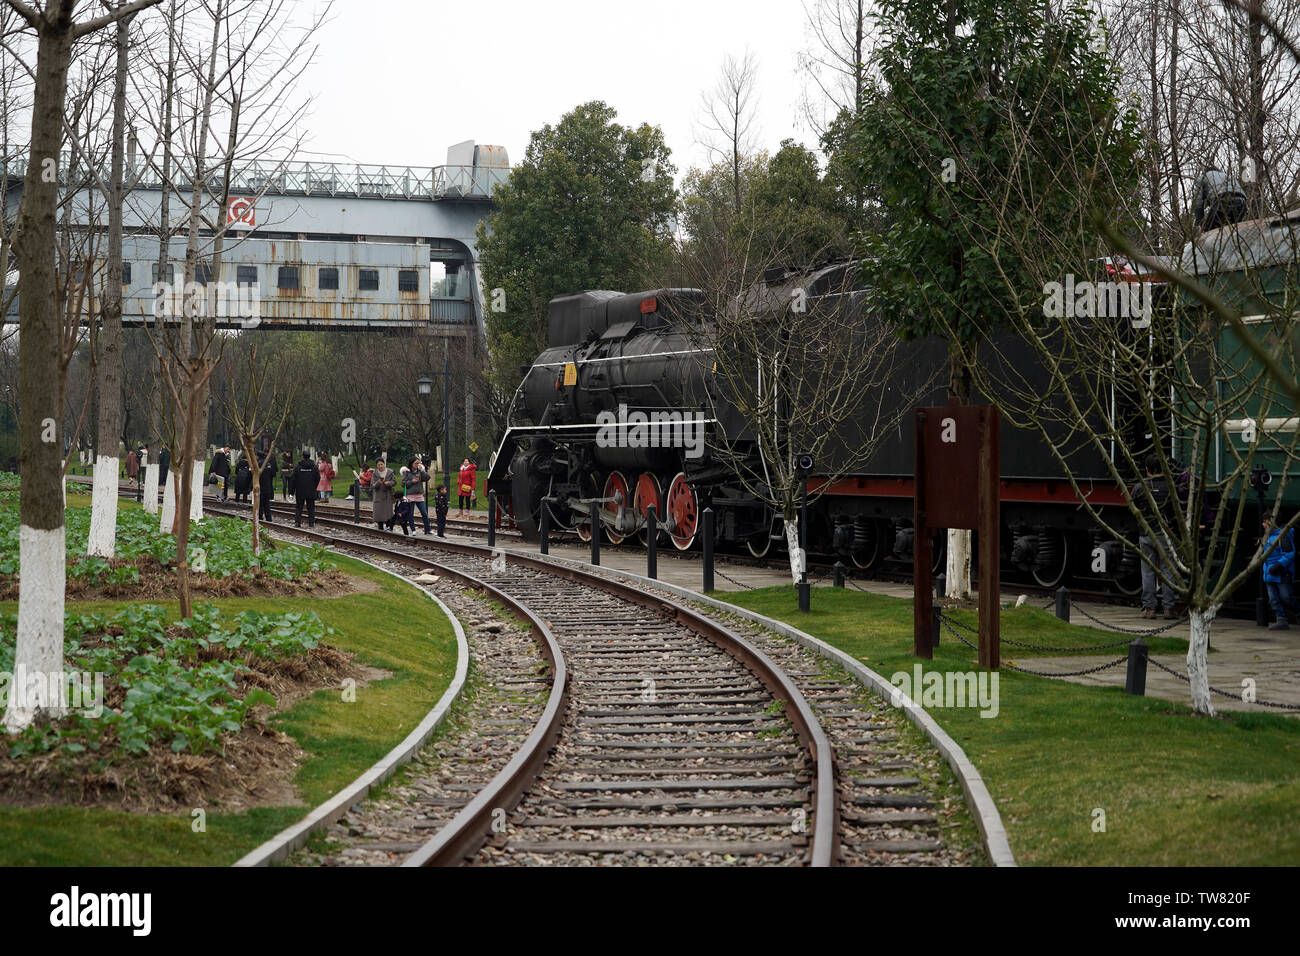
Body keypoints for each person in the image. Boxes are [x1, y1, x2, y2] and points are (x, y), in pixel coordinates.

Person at [1130, 453, 1174, 620]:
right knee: (1168, 571)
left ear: (1147, 469)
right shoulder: (1170, 487)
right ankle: (1169, 608)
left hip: (1146, 533)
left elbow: (1133, 508)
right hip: (1165, 534)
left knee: (1147, 572)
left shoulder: (1139, 487)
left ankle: (1149, 608)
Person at [1261, 516, 1298, 630]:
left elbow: (1289, 555)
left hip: (1281, 574)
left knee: (1286, 597)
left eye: (1265, 522)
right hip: (1269, 573)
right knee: (1273, 599)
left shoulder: (1283, 536)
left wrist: (1277, 566)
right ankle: (1281, 619)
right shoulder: (1268, 537)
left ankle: (1298, 612)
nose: (1263, 524)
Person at [1192, 168, 1248, 232]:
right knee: (1235, 232)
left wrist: (1199, 223)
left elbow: (1198, 202)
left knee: (1208, 232)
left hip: (1221, 202)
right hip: (1242, 203)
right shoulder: (1228, 176)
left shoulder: (1202, 178)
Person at [292, 451, 320, 527]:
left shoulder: (298, 467)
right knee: (311, 507)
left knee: (299, 507)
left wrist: (292, 491)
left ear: (302, 456)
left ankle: (297, 522)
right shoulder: (314, 467)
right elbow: (318, 478)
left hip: (300, 490)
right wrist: (314, 486)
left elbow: (293, 479)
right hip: (311, 490)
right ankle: (311, 523)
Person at [405, 456, 431, 534]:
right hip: (410, 495)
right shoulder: (406, 472)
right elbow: (403, 484)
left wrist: (422, 471)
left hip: (419, 494)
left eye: (418, 463)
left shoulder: (419, 471)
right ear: (411, 463)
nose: (417, 464)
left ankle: (428, 530)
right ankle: (413, 530)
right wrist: (412, 481)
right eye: (416, 463)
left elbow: (427, 478)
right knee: (410, 514)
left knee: (424, 513)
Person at [370, 459, 397, 531]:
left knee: (388, 511)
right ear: (376, 465)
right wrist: (378, 482)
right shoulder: (375, 473)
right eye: (378, 465)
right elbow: (372, 485)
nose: (380, 466)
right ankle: (380, 527)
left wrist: (389, 483)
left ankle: (388, 526)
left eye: (381, 464)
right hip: (378, 495)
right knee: (379, 512)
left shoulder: (390, 472)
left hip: (388, 495)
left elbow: (394, 482)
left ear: (384, 464)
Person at [257, 449, 277, 524]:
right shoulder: (268, 464)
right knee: (267, 504)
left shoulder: (258, 464)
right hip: (268, 486)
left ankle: (260, 517)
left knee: (260, 504)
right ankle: (269, 518)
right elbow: (272, 474)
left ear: (258, 456)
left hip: (260, 486)